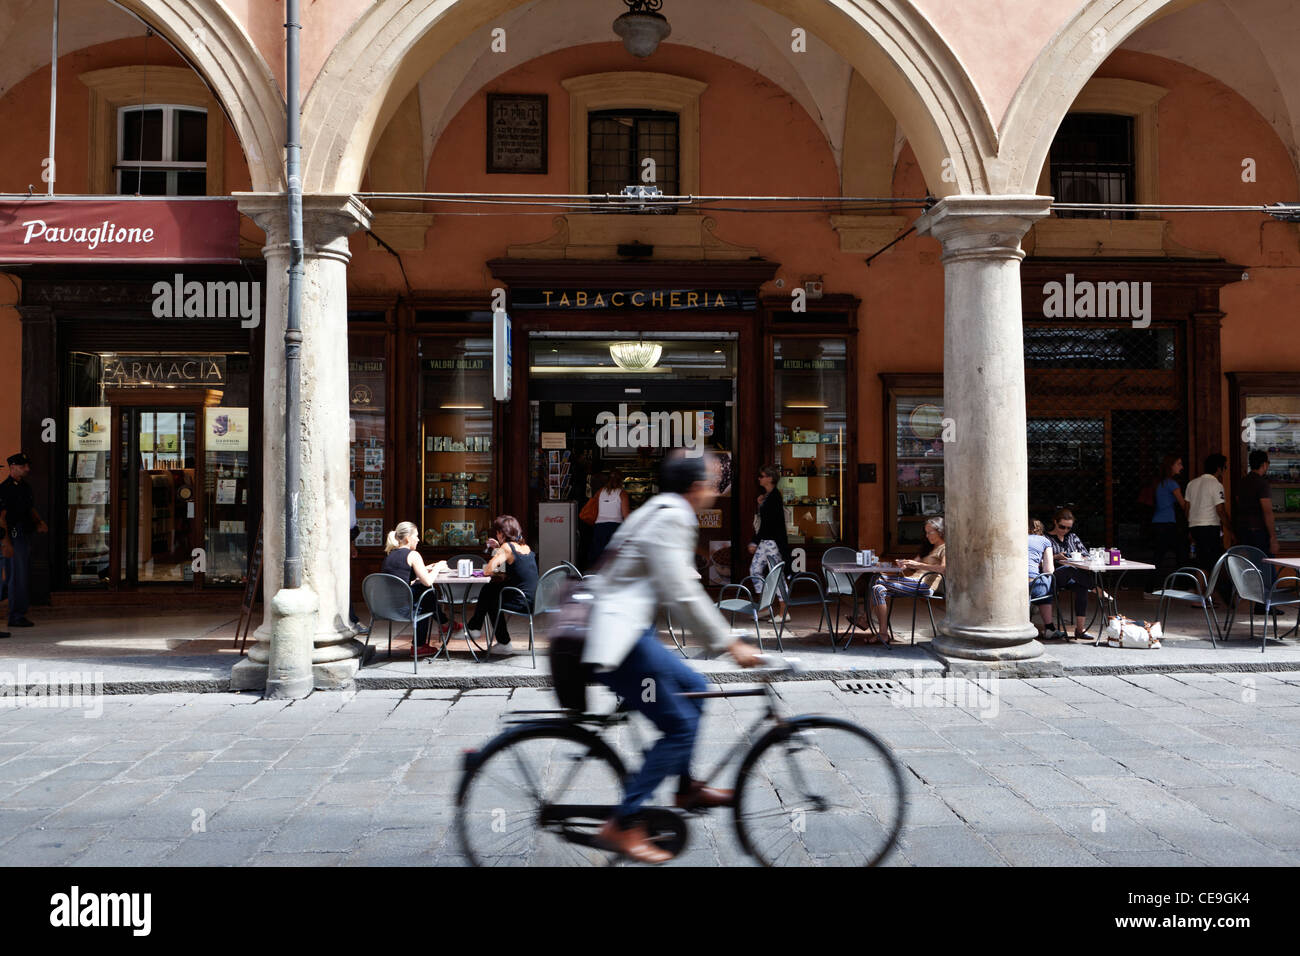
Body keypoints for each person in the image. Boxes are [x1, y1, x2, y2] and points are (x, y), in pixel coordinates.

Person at [584, 450, 761, 863]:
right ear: (695, 486)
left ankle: (685, 785)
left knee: (695, 687)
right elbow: (681, 592)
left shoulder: (659, 508)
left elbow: (673, 584)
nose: (716, 488)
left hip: (629, 631)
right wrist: (729, 643)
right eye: (713, 480)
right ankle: (622, 823)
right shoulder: (673, 515)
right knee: (679, 726)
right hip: (619, 640)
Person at [857, 516, 946, 645]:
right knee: (877, 588)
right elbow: (914, 563)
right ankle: (883, 633)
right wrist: (905, 564)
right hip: (912, 582)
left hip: (925, 586)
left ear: (940, 531)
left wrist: (918, 566)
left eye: (930, 532)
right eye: (926, 532)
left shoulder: (945, 548)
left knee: (878, 580)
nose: (927, 536)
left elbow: (943, 569)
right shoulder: (928, 548)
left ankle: (864, 619)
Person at [466, 515, 539, 655]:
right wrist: (499, 548)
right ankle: (476, 628)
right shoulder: (525, 547)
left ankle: (497, 639)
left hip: (521, 601)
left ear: (501, 533)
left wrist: (499, 549)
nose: (497, 535)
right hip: (533, 599)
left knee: (491, 599)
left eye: (498, 532)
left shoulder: (507, 547)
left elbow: (488, 570)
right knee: (490, 589)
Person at [381, 522, 449, 655]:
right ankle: (421, 644)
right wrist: (438, 567)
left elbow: (402, 581)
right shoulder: (413, 555)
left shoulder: (389, 556)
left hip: (388, 608)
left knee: (422, 591)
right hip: (406, 610)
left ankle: (444, 624)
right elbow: (428, 581)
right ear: (407, 538)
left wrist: (424, 569)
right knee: (427, 592)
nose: (418, 539)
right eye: (416, 536)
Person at [0, 452, 47, 630]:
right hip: (12, 534)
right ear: (12, 468)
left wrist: (39, 522)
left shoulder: (25, 487)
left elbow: (30, 508)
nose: (27, 469)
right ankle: (16, 615)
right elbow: (2, 518)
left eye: (27, 465)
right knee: (16, 577)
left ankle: (14, 606)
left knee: (19, 575)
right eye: (22, 466)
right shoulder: (5, 489)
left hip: (24, 533)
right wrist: (6, 543)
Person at [1044, 507, 1104, 640]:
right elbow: (1039, 560)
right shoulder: (1046, 538)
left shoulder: (1073, 537)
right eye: (1062, 527)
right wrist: (1055, 557)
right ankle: (1095, 588)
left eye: (1068, 528)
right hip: (1054, 576)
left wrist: (1077, 558)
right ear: (1055, 522)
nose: (1065, 530)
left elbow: (1086, 555)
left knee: (1081, 587)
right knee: (1069, 570)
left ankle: (1080, 630)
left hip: (1073, 575)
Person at [1233, 450, 1281, 612]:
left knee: (1254, 566)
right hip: (1259, 530)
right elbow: (1267, 511)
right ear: (1264, 464)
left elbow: (1238, 503)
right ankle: (1267, 604)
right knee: (1267, 567)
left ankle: (1260, 602)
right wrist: (1273, 537)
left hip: (1244, 530)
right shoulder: (1262, 484)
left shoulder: (1243, 482)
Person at [1186, 453, 1233, 604]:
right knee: (1214, 562)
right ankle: (1210, 596)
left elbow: (1187, 509)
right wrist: (1230, 529)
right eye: (1224, 467)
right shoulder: (1216, 485)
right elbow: (1220, 510)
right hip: (1210, 527)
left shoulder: (1192, 484)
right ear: (1219, 468)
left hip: (1195, 526)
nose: (1224, 471)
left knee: (1201, 562)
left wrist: (1190, 526)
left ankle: (1201, 596)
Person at [1147, 454, 1189, 595]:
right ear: (1171, 466)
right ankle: (1185, 585)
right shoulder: (1172, 483)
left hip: (1158, 523)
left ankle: (1150, 587)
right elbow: (1183, 504)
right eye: (1178, 463)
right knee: (1181, 554)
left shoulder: (1161, 483)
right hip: (1167, 524)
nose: (1181, 467)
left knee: (1159, 556)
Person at [748, 465, 792, 582]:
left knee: (775, 574)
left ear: (770, 478)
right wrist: (761, 504)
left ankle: (782, 600)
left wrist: (755, 541)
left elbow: (768, 522)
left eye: (761, 476)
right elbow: (766, 520)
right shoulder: (769, 496)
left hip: (772, 541)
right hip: (767, 540)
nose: (759, 479)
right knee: (755, 570)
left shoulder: (774, 497)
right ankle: (765, 599)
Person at [588, 469, 630, 564]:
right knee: (613, 560)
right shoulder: (622, 494)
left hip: (599, 528)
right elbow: (626, 515)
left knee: (599, 558)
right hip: (615, 528)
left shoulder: (599, 492)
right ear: (621, 481)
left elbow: (597, 509)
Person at [1028, 518, 1061, 639]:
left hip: (1013, 584)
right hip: (1034, 586)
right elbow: (1049, 569)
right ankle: (1049, 628)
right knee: (1046, 580)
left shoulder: (1015, 539)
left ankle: (1032, 607)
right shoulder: (1045, 541)